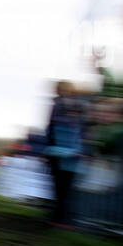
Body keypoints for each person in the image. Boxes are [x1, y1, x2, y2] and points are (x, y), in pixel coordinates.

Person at [43, 81, 85, 227]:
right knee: (67, 187)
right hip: (72, 153)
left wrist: (48, 150)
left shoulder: (58, 105)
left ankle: (59, 218)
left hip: (58, 151)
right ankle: (64, 218)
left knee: (59, 187)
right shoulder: (80, 106)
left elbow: (50, 129)